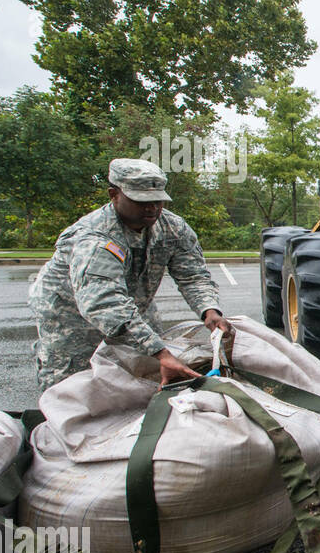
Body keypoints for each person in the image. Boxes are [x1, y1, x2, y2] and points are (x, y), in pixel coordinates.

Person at [29, 158, 232, 390]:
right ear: (114, 194)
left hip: (133, 305)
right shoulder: (95, 239)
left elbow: (193, 275)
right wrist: (159, 352)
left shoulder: (173, 228)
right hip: (72, 316)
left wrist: (209, 310)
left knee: (146, 376)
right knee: (73, 388)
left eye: (158, 201)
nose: (152, 208)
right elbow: (105, 303)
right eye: (141, 201)